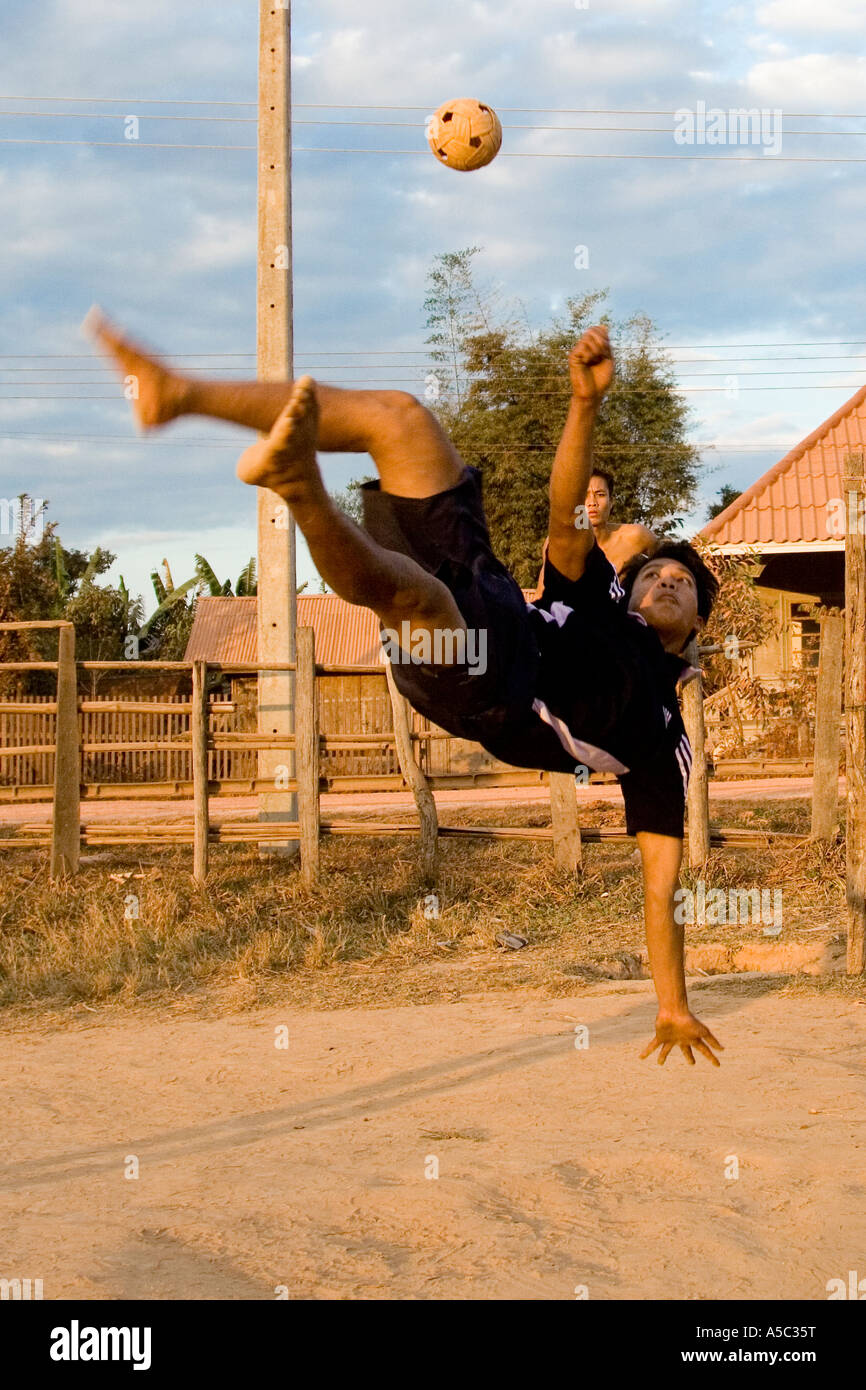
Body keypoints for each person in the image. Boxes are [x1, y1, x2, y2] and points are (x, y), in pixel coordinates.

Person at [85, 309, 723, 1069]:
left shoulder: (659, 736)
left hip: (490, 692)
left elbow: (661, 883)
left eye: (681, 581)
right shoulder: (592, 599)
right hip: (492, 595)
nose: (664, 580)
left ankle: (299, 488)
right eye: (654, 571)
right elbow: (563, 512)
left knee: (420, 602)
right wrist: (584, 402)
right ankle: (174, 392)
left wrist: (673, 1004)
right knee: (401, 418)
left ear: (697, 625)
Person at [530, 468, 659, 599]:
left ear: (611, 502)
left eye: (600, 494)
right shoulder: (558, 544)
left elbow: (672, 558)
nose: (592, 503)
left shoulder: (635, 536)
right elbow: (541, 594)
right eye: (584, 495)